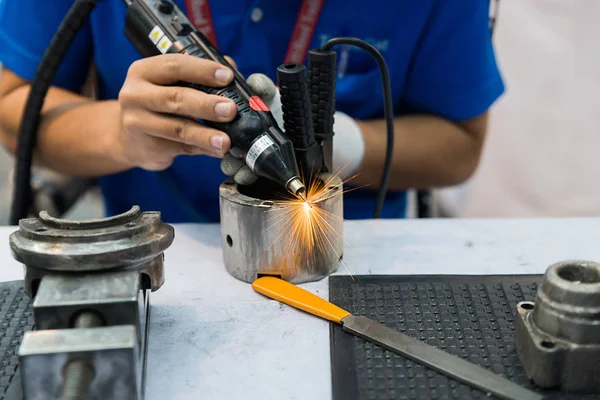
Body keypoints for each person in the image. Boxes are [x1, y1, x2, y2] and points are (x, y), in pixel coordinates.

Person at [0, 0, 504, 223]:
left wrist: (344, 144)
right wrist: (119, 134)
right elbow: (11, 107)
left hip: (359, 258)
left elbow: (460, 146)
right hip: (158, 263)